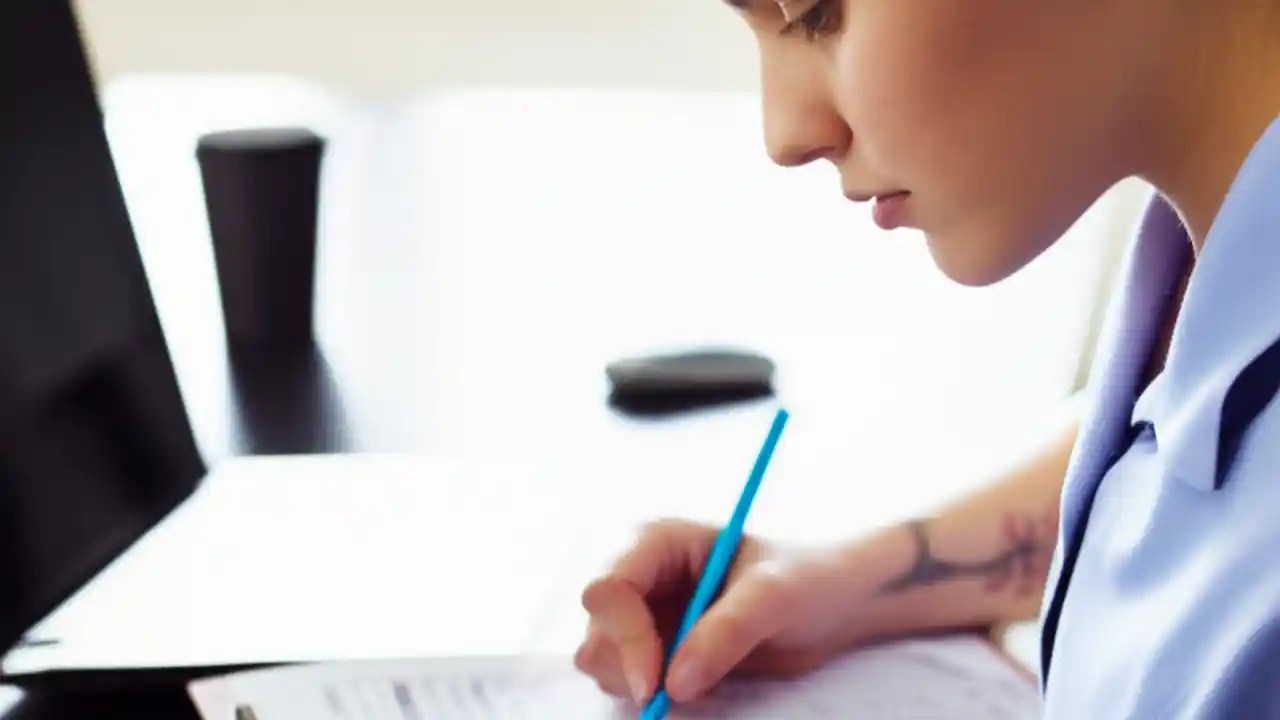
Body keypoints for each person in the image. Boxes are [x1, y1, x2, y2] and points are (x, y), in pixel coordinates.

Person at [573, 0, 1280, 715]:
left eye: (819, 15)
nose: (784, 133)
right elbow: (1203, 479)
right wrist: (849, 581)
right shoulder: (1203, 265)